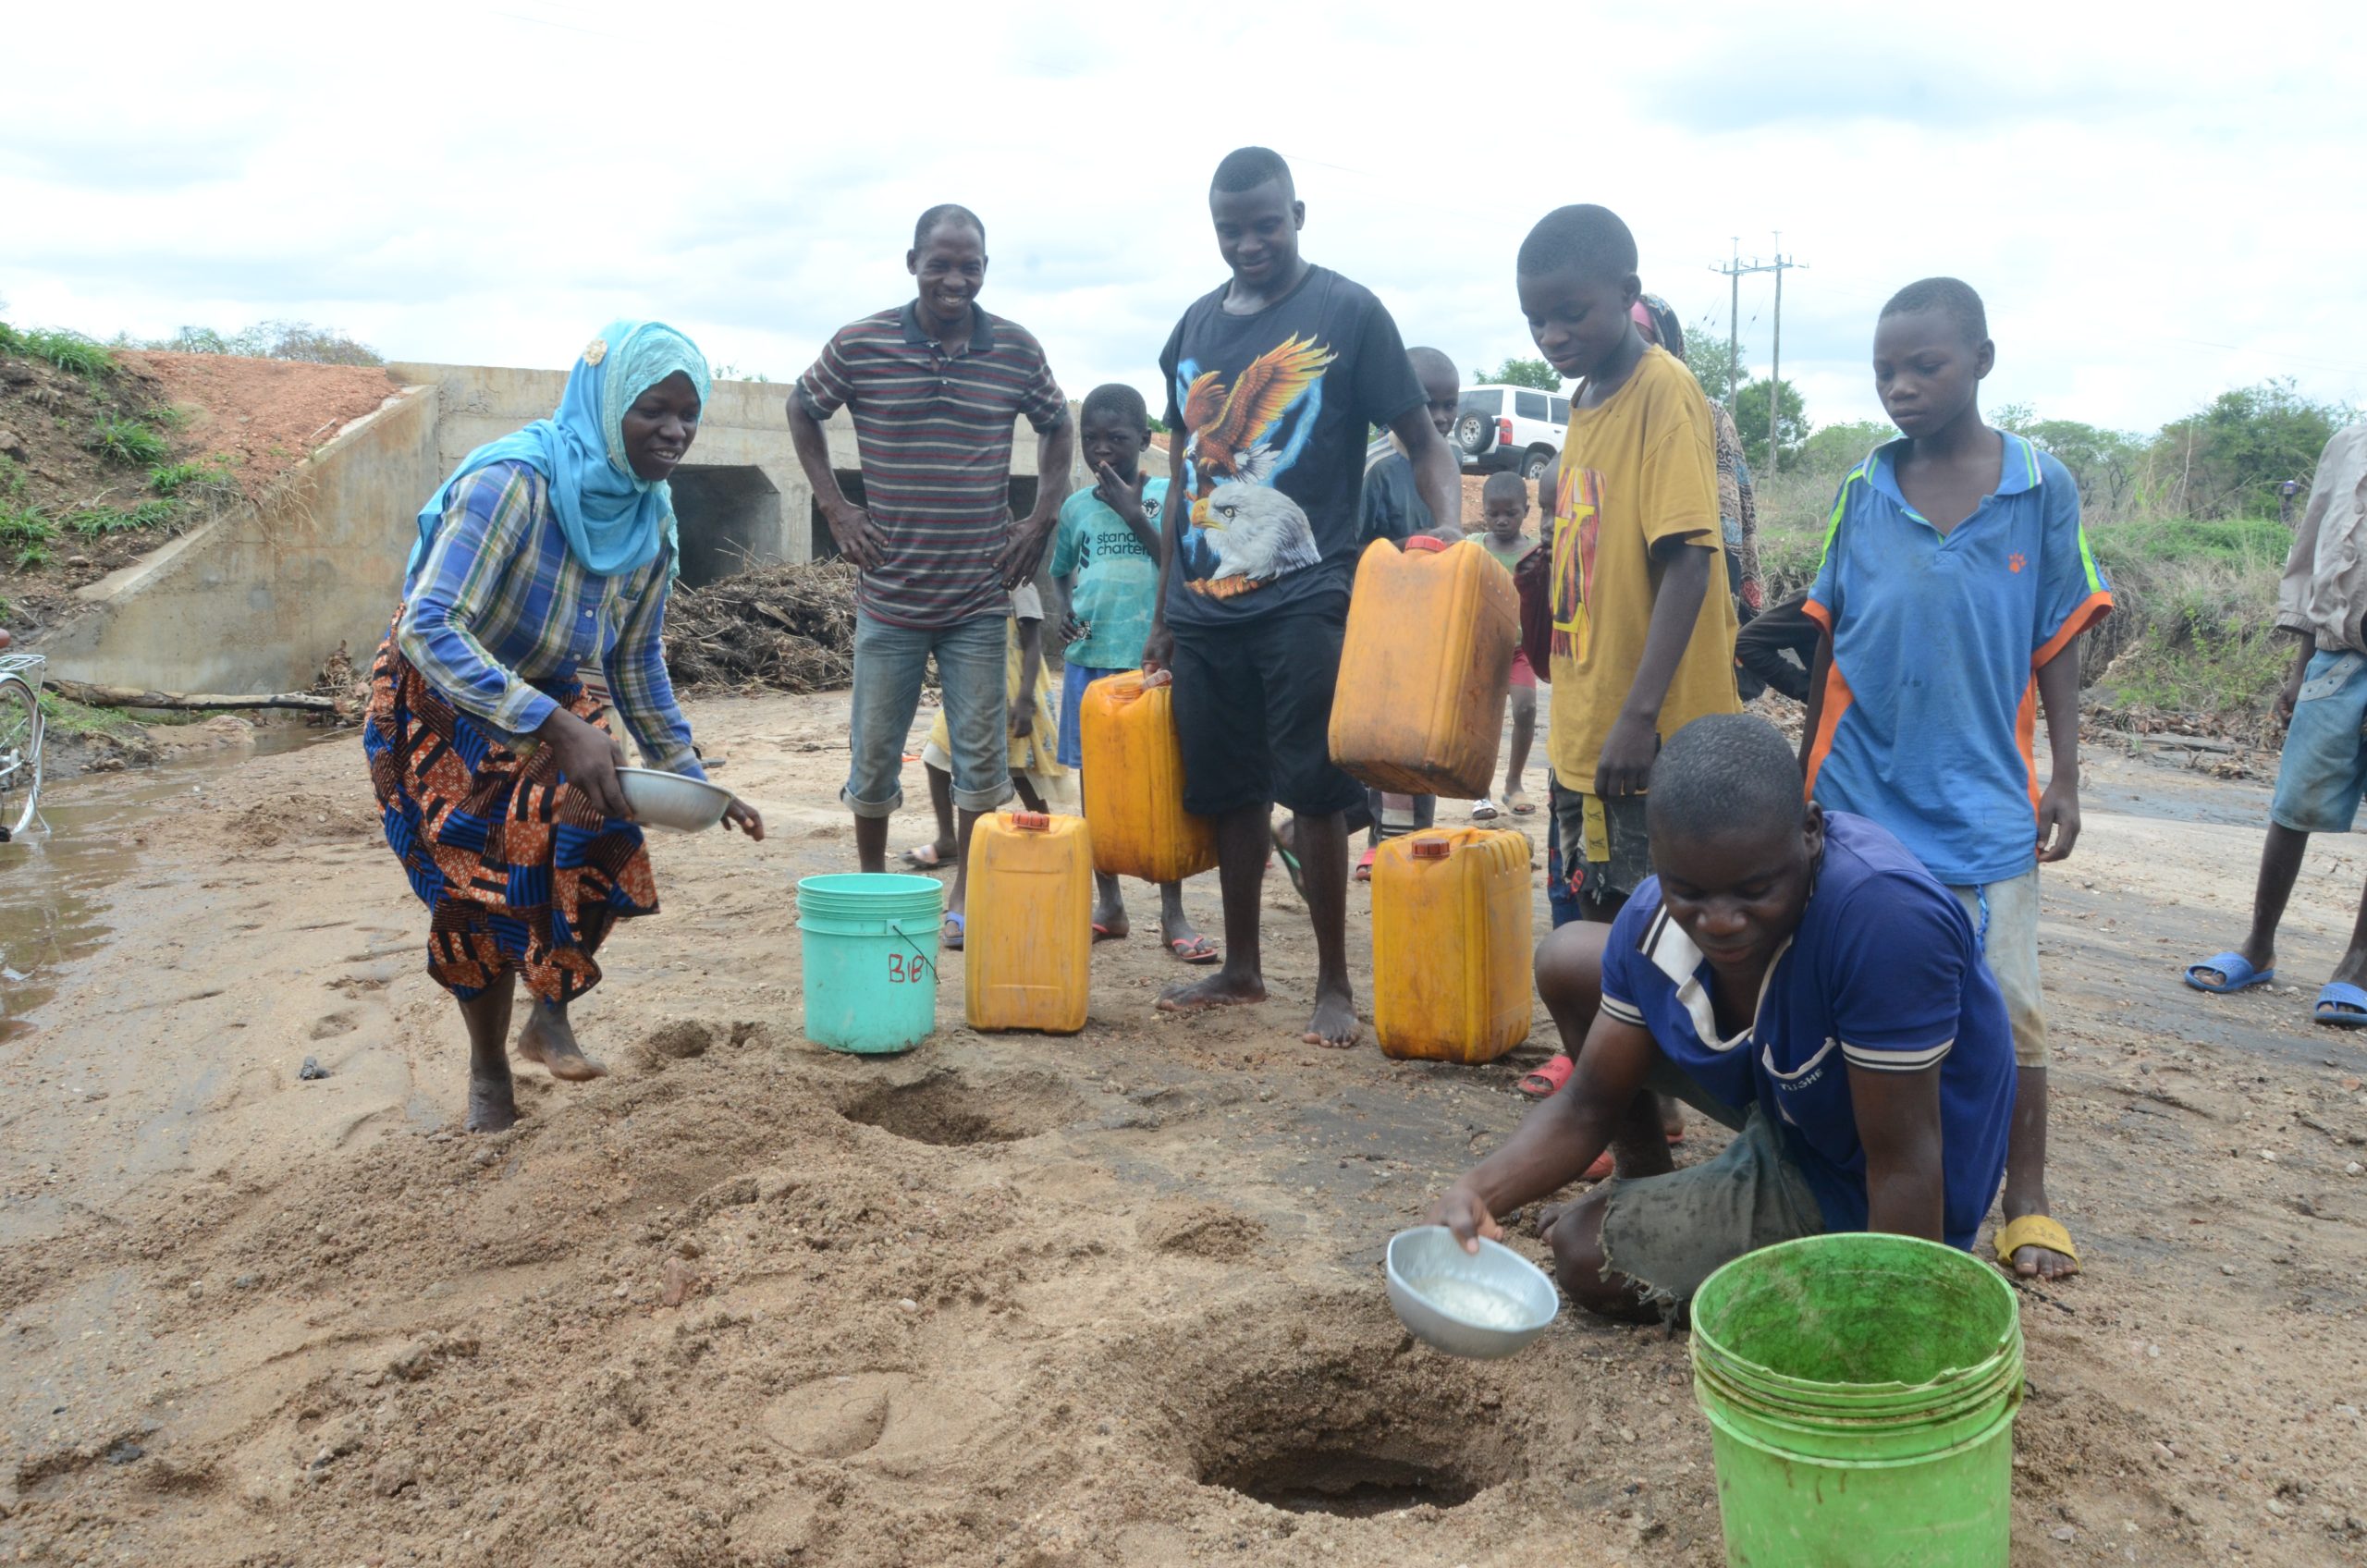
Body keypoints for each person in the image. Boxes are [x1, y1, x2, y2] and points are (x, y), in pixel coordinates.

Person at [1429, 715, 2016, 1320]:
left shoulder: (1883, 921)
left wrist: (1889, 1324)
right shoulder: (1656, 915)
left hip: (1876, 1179)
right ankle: (1648, 1175)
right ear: (1659, 860)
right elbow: (1587, 1104)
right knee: (1573, 958)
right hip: (1798, 1101)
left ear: (1811, 832)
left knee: (1583, 1252)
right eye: (1691, 892)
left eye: (1754, 891)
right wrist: (1479, 1190)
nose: (1721, 921)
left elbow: (1902, 1165)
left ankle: (1812, 1255)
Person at [364, 321, 763, 1134]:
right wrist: (554, 725)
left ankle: (549, 1013)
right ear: (607, 402)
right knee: (474, 887)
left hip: (542, 692)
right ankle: (487, 1073)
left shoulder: (650, 516)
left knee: (607, 826)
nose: (675, 432)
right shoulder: (514, 483)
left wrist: (693, 775)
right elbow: (431, 628)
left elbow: (636, 657)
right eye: (654, 409)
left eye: (689, 414)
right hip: (437, 692)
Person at [1803, 277, 2111, 1282]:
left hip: (1982, 795)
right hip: (1858, 788)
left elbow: (2057, 636)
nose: (1899, 386)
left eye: (1923, 366)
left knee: (2006, 1000)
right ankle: (1837, 1177)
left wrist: (2064, 772)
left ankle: (2025, 1197)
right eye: (1884, 370)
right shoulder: (1863, 487)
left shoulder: (2037, 485)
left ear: (1981, 359)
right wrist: (1803, 782)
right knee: (1854, 990)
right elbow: (1827, 639)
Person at [1142, 147, 1463, 1048]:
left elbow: (1424, 441)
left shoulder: (1349, 312)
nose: (1248, 242)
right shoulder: (1193, 328)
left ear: (1299, 214)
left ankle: (1331, 981)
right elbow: (1176, 483)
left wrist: (1447, 530)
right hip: (1204, 610)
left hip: (1307, 593)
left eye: (1265, 223)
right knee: (1227, 793)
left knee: (1318, 793)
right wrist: (1166, 613)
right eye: (1230, 229)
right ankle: (1242, 968)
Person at [789, 203, 1075, 948]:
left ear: (985, 267)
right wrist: (835, 507)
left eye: (970, 265)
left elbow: (1057, 425)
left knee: (983, 761)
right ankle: (875, 887)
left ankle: (965, 894)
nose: (955, 278)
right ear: (911, 260)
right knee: (875, 753)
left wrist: (1039, 517)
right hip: (889, 596)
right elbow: (802, 406)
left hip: (978, 599)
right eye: (940, 263)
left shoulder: (1015, 349)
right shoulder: (862, 343)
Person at [1508, 204, 1740, 1101]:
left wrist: (1641, 713)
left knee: (1654, 925)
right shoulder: (1581, 404)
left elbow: (1687, 557)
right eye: (1536, 320)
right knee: (1590, 908)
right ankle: (1611, 1085)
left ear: (1627, 296)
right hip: (1586, 715)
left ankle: (1649, 1101)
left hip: (1652, 728)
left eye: (1572, 313)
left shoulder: (1661, 389)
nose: (1553, 335)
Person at [2187, 423, 2367, 1023]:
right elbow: (2313, 546)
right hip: (2338, 656)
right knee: (2293, 806)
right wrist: (2299, 666)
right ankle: (2258, 945)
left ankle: (2357, 967)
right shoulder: (2349, 443)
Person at [1043, 386, 1217, 964]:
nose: (1101, 452)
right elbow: (1062, 572)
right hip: (1090, 664)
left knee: (1160, 783)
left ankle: (1173, 912)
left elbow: (1175, 561)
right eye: (1090, 440)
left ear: (1145, 441)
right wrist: (1064, 611)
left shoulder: (1170, 493)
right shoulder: (1074, 507)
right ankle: (1109, 903)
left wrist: (1128, 510)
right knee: (1098, 788)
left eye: (1116, 440)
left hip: (1151, 662)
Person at [901, 571, 1071, 931]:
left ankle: (1048, 845)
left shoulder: (1018, 582)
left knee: (1022, 773)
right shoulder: (964, 574)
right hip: (969, 683)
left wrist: (1025, 699)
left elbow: (1034, 641)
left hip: (1013, 688)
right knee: (936, 755)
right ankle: (948, 838)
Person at [1632, 295, 1766, 688]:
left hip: (1694, 558)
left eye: (1644, 340)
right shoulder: (1608, 412)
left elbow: (1729, 507)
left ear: (1667, 344)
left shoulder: (1707, 411)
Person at [1471, 470, 1539, 821]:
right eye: (1492, 513)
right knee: (1481, 719)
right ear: (1482, 511)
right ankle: (1478, 791)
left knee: (1526, 708)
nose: (1500, 521)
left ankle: (1513, 783)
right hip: (1479, 650)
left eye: (1509, 513)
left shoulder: (1534, 553)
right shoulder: (1473, 550)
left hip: (1519, 650)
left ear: (1526, 510)